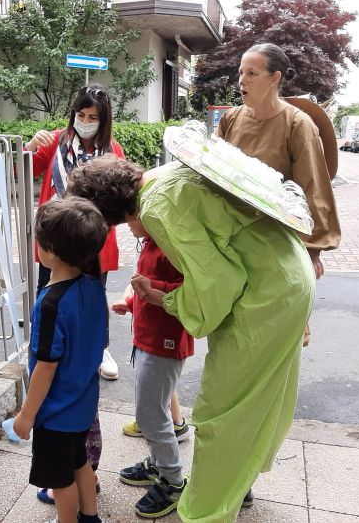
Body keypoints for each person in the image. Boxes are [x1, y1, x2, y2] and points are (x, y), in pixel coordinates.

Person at [67, 157, 316, 523]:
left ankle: (206, 513)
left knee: (222, 412)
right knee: (259, 399)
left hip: (267, 294)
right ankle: (238, 481)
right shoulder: (160, 178)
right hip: (282, 276)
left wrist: (164, 299)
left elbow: (216, 286)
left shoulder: (157, 207)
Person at [217, 42, 341, 348]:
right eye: (240, 72)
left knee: (278, 334)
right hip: (233, 239)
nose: (242, 80)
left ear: (275, 78)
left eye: (252, 73)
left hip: (280, 242)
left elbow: (314, 189)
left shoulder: (298, 124)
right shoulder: (231, 119)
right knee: (238, 332)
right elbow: (211, 170)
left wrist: (312, 252)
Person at [12, 196, 109, 523]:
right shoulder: (94, 287)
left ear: (50, 251)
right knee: (80, 460)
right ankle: (90, 516)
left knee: (59, 477)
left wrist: (27, 414)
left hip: (57, 412)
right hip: (83, 403)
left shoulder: (51, 304)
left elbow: (46, 366)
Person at [26, 83, 125, 380]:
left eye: (92, 117)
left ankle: (99, 347)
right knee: (50, 292)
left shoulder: (113, 150)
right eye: (80, 114)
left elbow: (120, 196)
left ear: (103, 120)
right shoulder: (54, 141)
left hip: (94, 238)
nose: (84, 121)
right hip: (55, 236)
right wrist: (29, 148)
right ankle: (44, 346)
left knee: (92, 295)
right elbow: (21, 171)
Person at [109, 217, 195, 518]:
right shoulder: (150, 242)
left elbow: (190, 292)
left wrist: (150, 288)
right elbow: (144, 286)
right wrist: (132, 302)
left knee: (151, 415)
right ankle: (158, 464)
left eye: (132, 217)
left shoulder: (174, 247)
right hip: (147, 339)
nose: (128, 224)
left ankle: (173, 480)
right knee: (149, 410)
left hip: (165, 343)